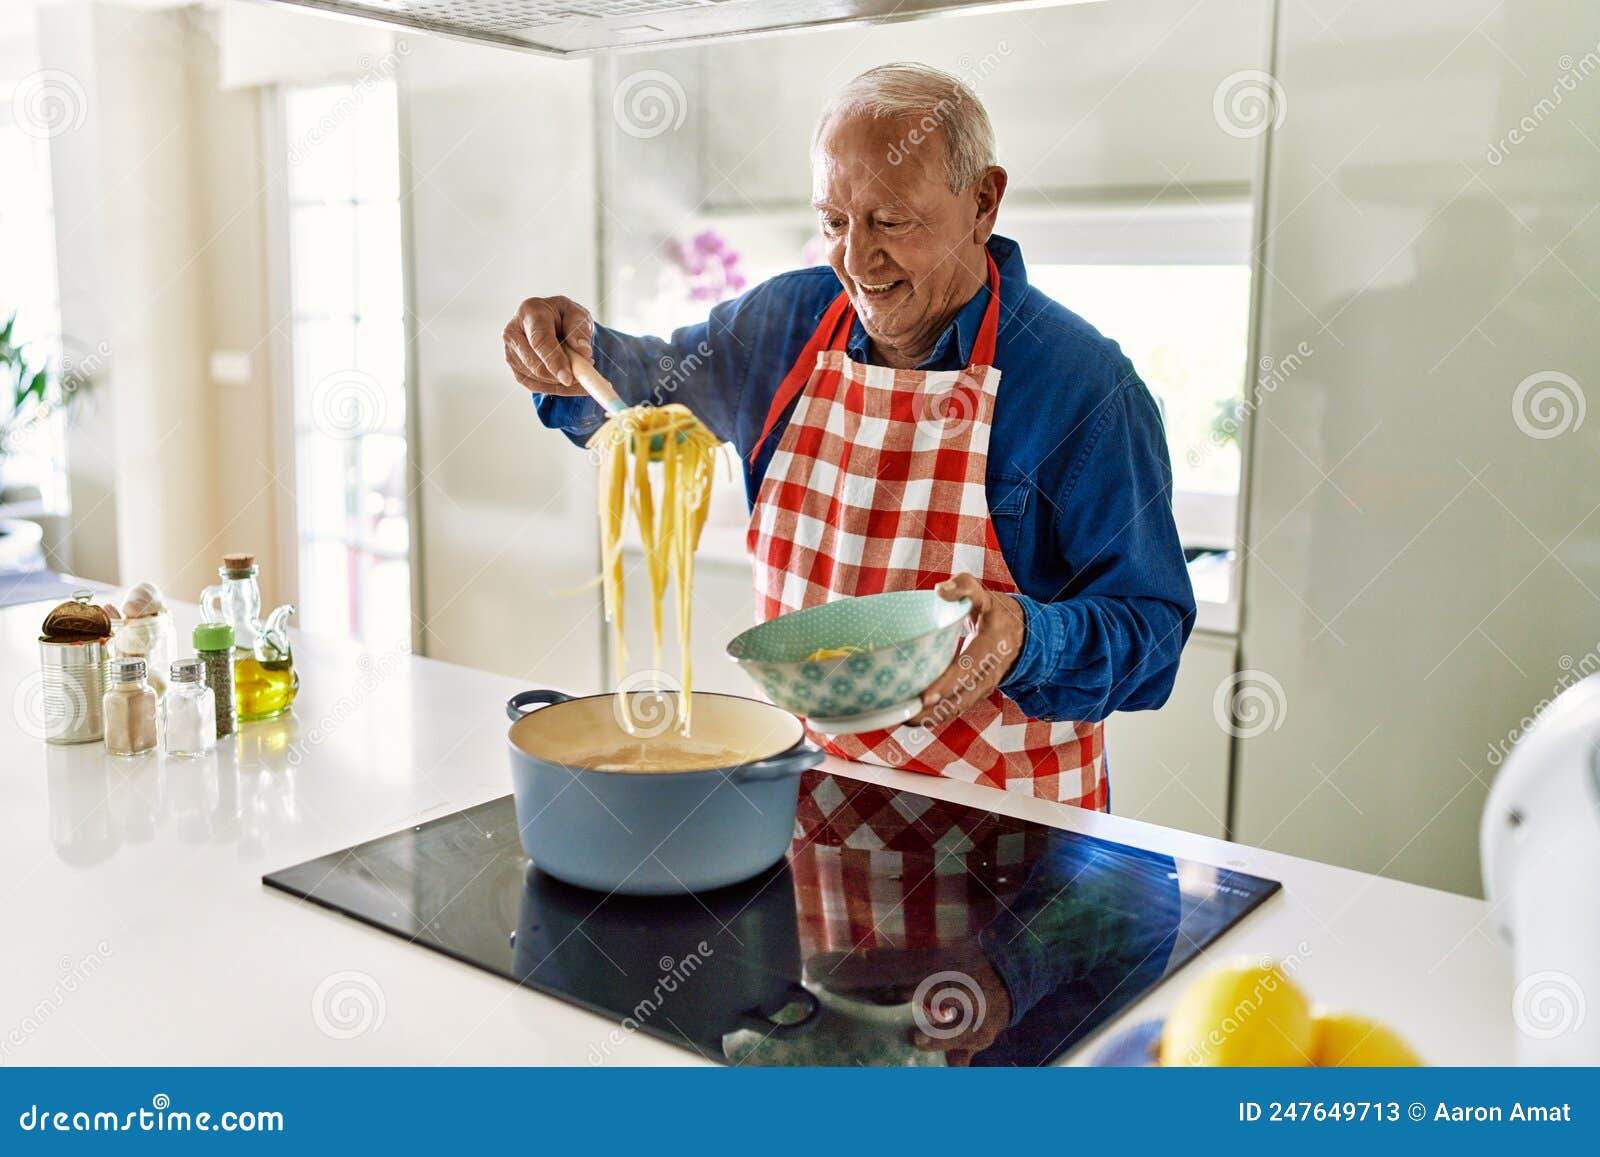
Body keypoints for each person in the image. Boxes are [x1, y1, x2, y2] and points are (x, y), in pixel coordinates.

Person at [506, 63, 1195, 810]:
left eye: (891, 222)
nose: (857, 262)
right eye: (834, 221)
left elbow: (1152, 632)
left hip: (1016, 840)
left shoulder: (1083, 387)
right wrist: (574, 356)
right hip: (812, 806)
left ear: (983, 202)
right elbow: (647, 394)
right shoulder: (783, 325)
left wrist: (1029, 636)